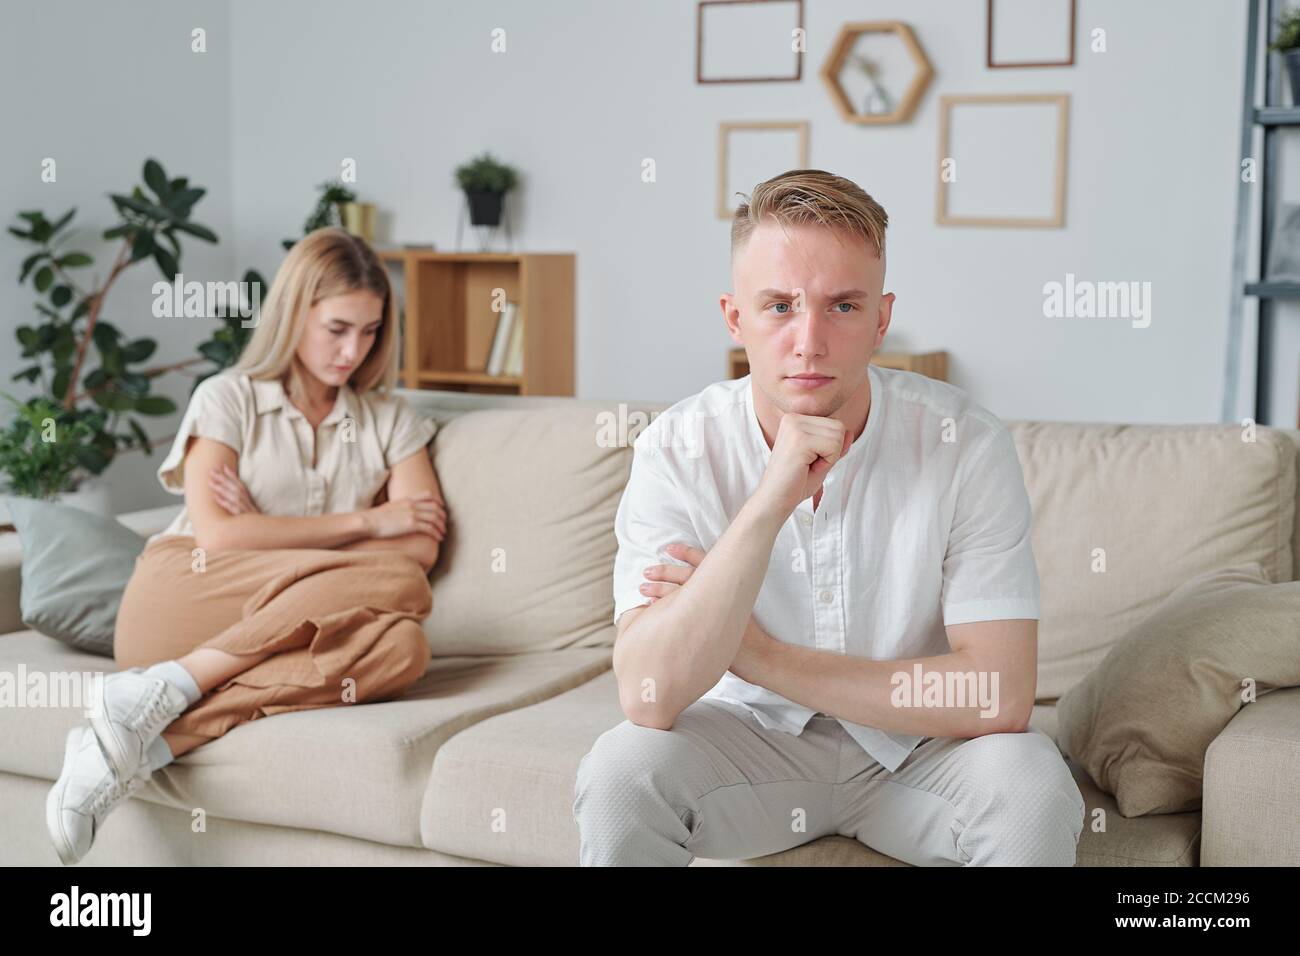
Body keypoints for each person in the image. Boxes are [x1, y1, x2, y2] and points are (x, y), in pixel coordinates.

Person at [573, 169, 1085, 866]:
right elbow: (648, 693)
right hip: (746, 747)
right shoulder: (678, 445)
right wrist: (770, 499)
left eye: (841, 307)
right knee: (620, 773)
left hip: (917, 756)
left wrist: (757, 654)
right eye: (779, 306)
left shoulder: (963, 441)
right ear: (734, 317)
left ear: (880, 318)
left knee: (1031, 786)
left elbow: (997, 696)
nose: (808, 341)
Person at [47, 227, 448, 865]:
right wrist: (369, 523)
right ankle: (167, 682)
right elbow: (220, 537)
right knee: (395, 586)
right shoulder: (227, 397)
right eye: (337, 328)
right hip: (184, 591)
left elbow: (421, 547)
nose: (353, 350)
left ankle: (147, 731)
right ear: (295, 314)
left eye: (370, 332)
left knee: (404, 644)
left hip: (283, 622)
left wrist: (270, 528)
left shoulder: (390, 418)